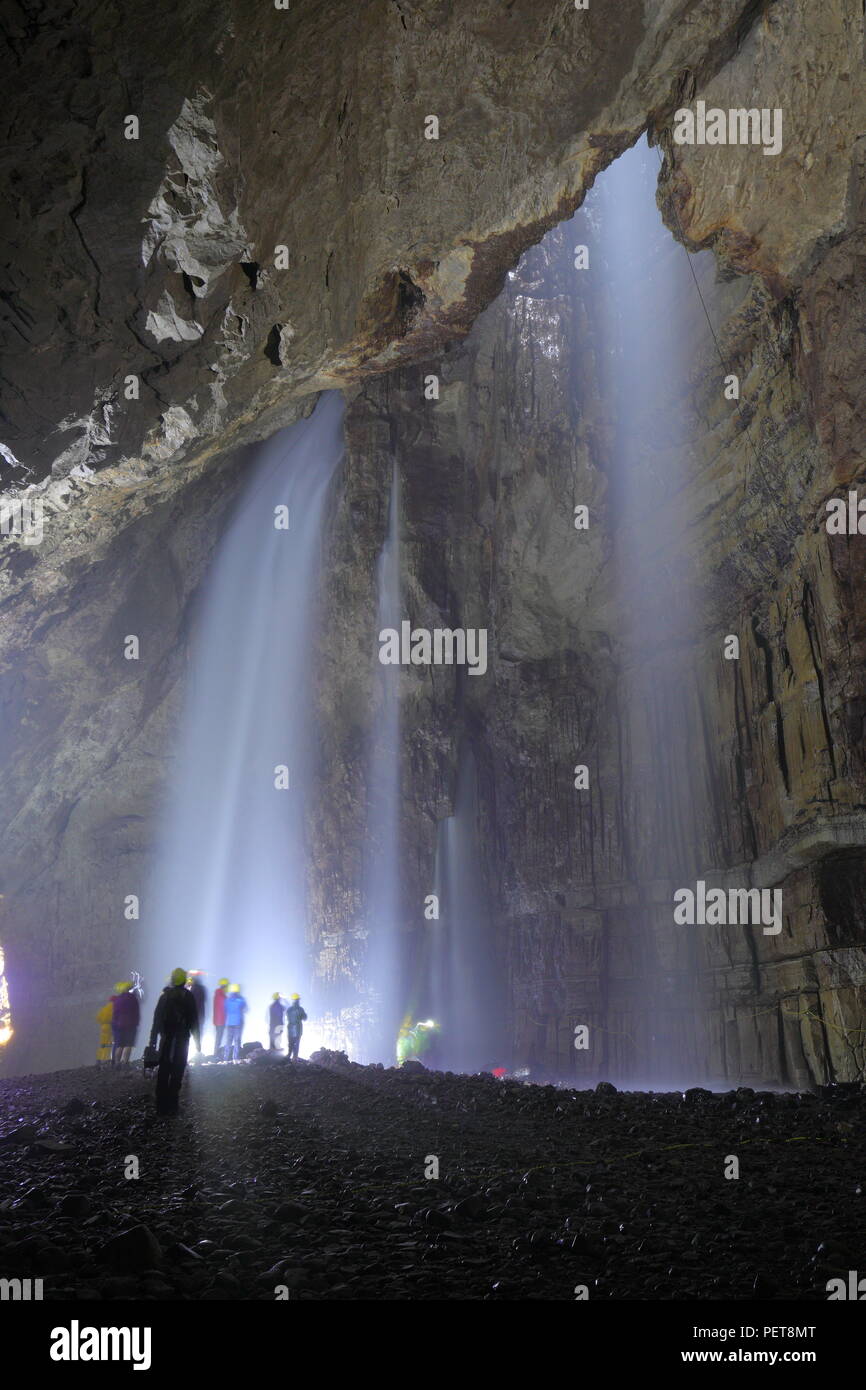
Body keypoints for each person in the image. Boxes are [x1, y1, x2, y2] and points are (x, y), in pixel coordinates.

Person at [149, 967, 200, 1116]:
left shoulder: (164, 997)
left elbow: (157, 1020)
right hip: (182, 1040)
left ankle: (160, 1106)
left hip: (166, 1040)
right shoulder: (188, 997)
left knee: (163, 1071)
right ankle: (173, 1105)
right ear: (184, 980)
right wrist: (197, 1041)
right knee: (177, 1072)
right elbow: (194, 1021)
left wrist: (152, 1041)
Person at [110, 981, 141, 1066]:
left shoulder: (118, 1000)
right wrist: (136, 1022)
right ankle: (125, 1062)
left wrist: (114, 1025)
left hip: (119, 1025)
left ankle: (116, 1062)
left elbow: (115, 1014)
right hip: (131, 1025)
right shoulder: (134, 999)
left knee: (119, 1045)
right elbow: (136, 1012)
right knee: (128, 1045)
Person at [224, 984, 248, 1062]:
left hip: (229, 1022)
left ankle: (226, 1058)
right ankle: (235, 1058)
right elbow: (246, 1009)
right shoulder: (240, 1000)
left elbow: (225, 1009)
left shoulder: (227, 1000)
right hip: (238, 1023)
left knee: (228, 1041)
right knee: (237, 1041)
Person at [187, 971, 207, 1061]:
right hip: (200, 1015)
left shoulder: (190, 990)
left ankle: (186, 1054)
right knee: (198, 1035)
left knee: (187, 1035)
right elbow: (204, 1000)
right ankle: (198, 1053)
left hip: (191, 1015)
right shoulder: (202, 989)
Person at [285, 993, 307, 1062]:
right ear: (298, 1000)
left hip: (290, 1028)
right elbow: (305, 1018)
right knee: (296, 1043)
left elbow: (287, 1017)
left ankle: (289, 1055)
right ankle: (294, 1057)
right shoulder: (300, 1009)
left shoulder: (289, 1009)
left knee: (290, 1043)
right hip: (298, 1029)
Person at [213, 977, 229, 1059]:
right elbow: (224, 1008)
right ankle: (216, 1054)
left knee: (219, 1038)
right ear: (224, 986)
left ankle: (217, 1054)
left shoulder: (218, 994)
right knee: (219, 1038)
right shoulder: (222, 996)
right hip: (221, 1020)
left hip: (217, 1020)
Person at [96, 998, 113, 1065]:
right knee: (108, 1044)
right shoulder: (113, 1008)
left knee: (102, 1045)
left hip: (103, 1027)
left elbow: (98, 1018)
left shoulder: (104, 1008)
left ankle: (99, 1059)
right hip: (109, 1027)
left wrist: (102, 1022)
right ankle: (106, 1059)